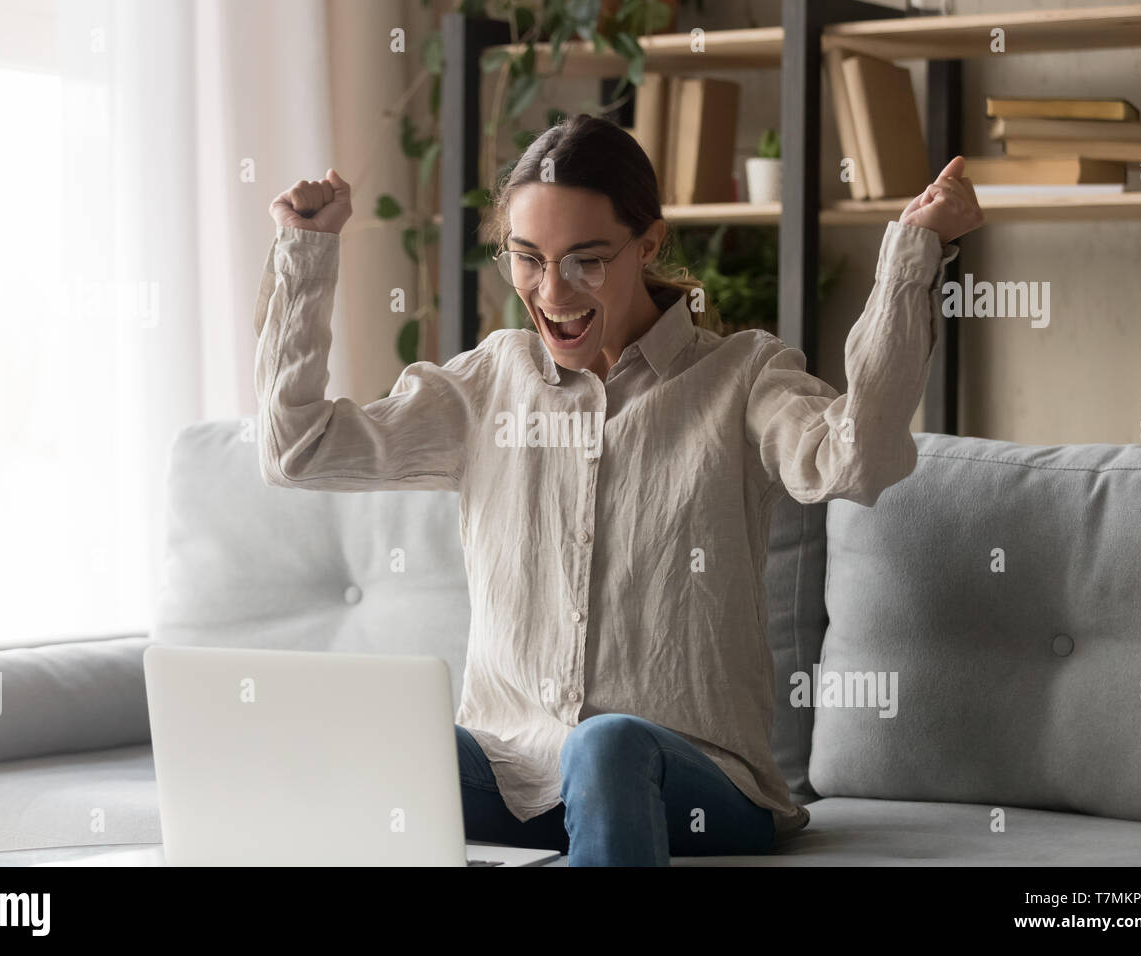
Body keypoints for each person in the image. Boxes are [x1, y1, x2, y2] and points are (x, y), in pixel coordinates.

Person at [256, 113, 984, 866]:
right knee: (372, 734)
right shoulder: (488, 384)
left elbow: (855, 458)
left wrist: (912, 258)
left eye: (587, 260)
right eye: (527, 258)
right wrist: (306, 253)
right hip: (517, 774)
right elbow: (297, 450)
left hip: (696, 784)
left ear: (650, 243)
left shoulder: (741, 376)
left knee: (606, 746)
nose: (552, 290)